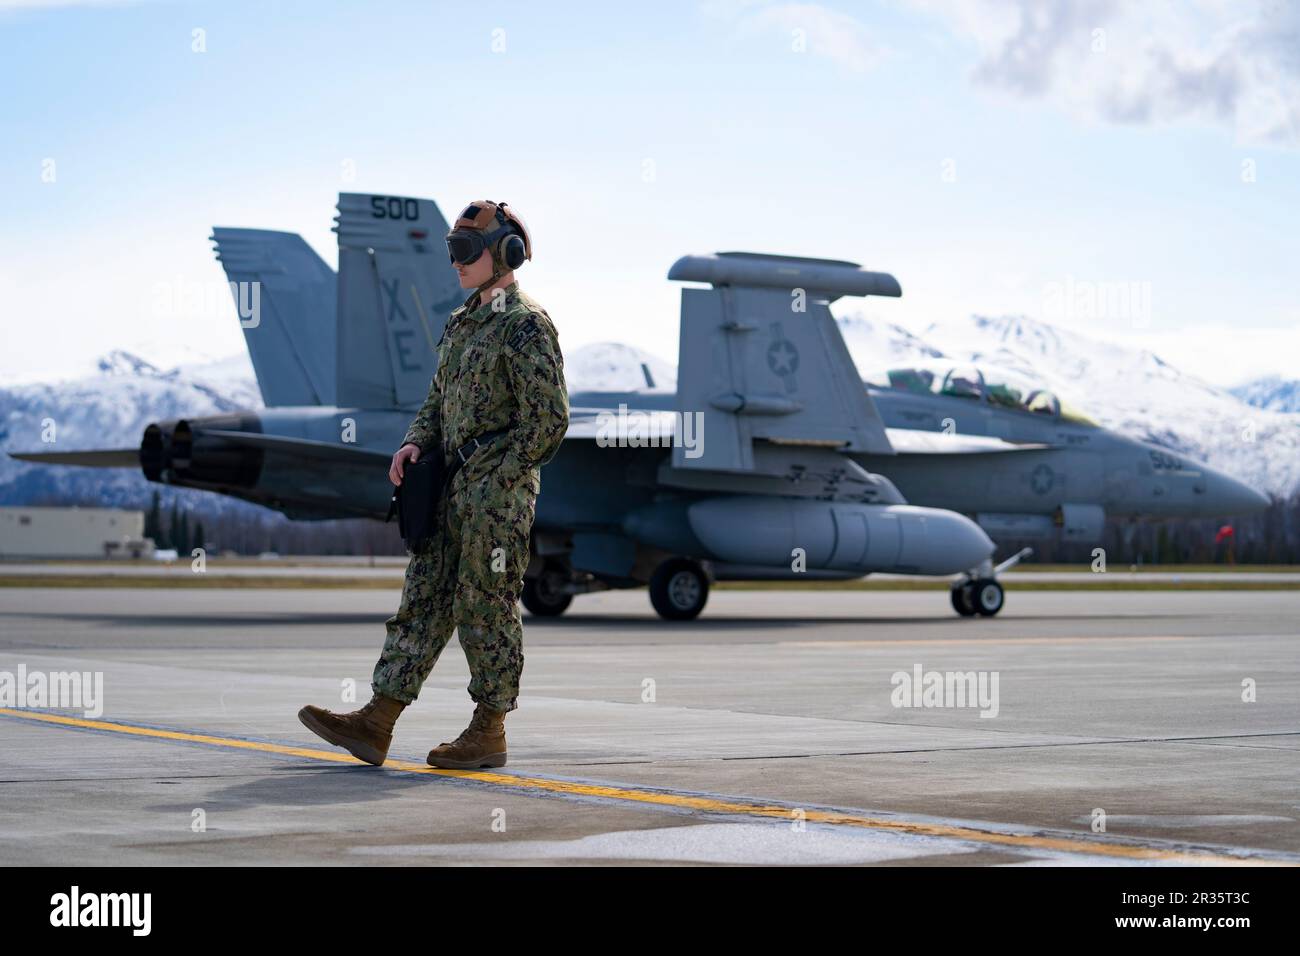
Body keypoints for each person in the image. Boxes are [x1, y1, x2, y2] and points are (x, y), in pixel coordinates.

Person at [299, 200, 568, 769]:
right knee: (421, 599)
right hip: (449, 485)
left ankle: (489, 729)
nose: (456, 262)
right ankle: (377, 721)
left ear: (507, 254)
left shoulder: (525, 324)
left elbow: (548, 421)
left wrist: (496, 473)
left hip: (495, 499)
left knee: (485, 604)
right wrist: (415, 442)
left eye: (465, 251)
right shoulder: (461, 322)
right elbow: (436, 401)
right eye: (452, 251)